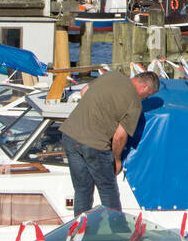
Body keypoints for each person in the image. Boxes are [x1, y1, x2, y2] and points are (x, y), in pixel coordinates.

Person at [61, 70, 160, 215]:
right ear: (144, 88)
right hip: (95, 144)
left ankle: (80, 230)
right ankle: (116, 229)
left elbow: (84, 91)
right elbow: (119, 136)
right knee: (108, 189)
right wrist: (116, 159)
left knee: (82, 189)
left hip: (70, 135)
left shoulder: (112, 75)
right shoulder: (134, 103)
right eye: (148, 95)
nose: (146, 98)